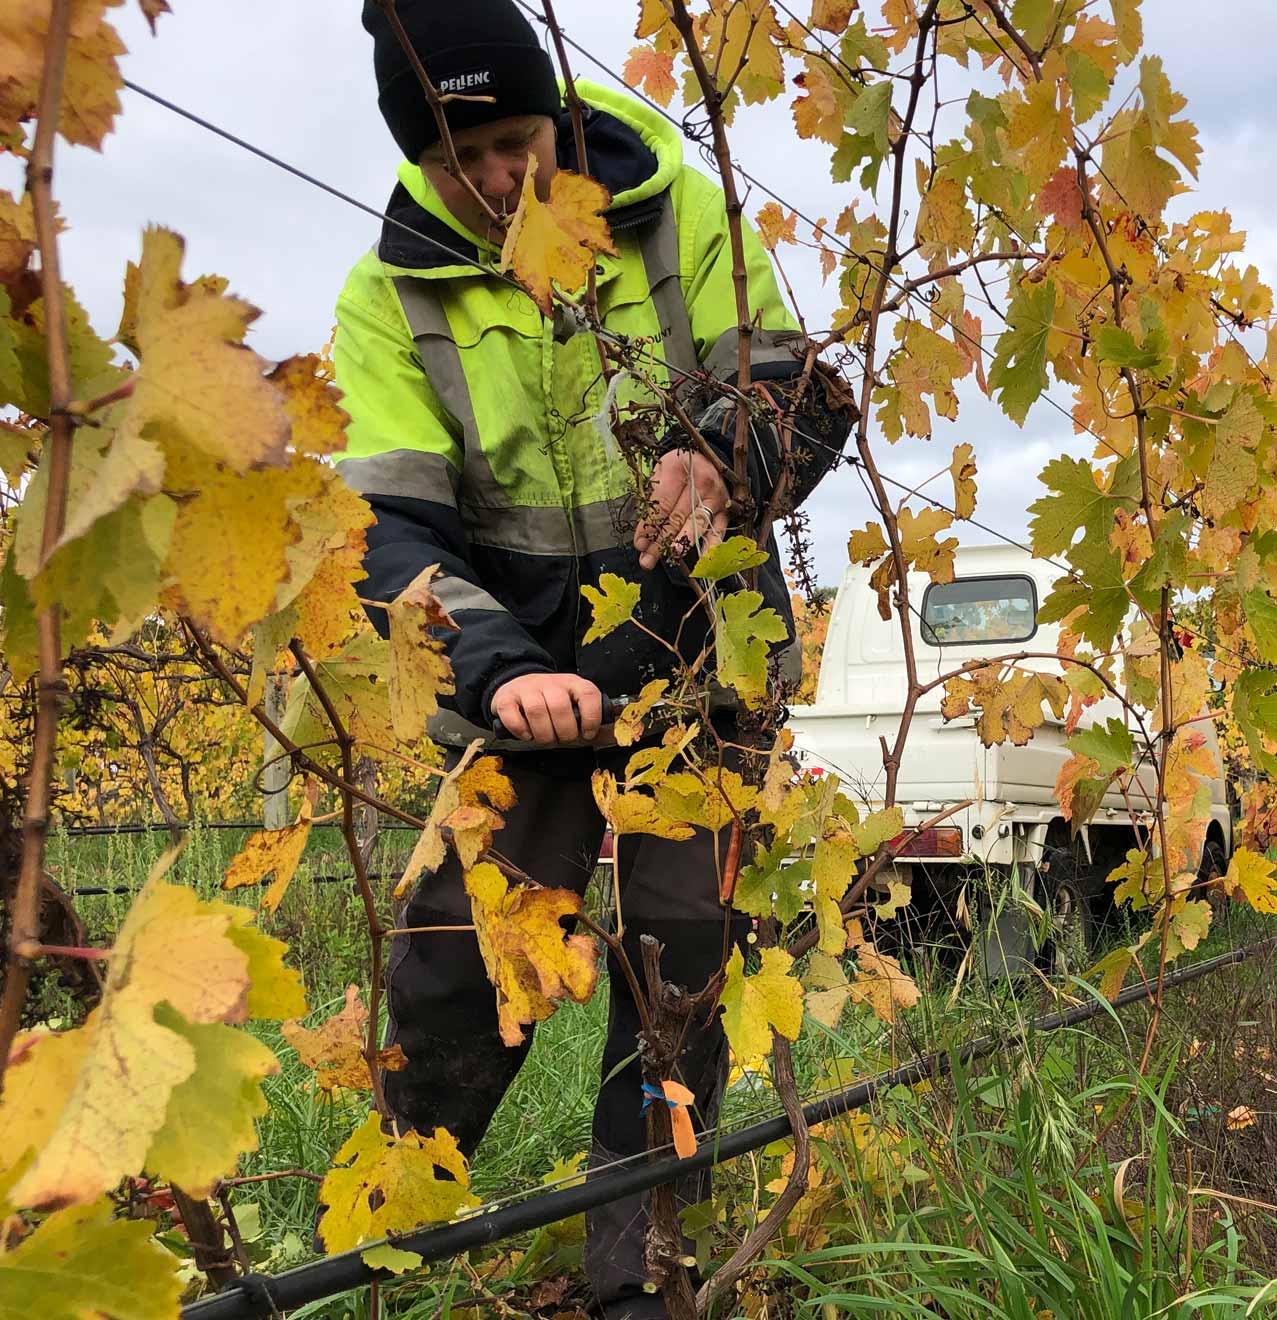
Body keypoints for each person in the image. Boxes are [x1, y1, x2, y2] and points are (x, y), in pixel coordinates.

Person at [334, 4, 850, 1313]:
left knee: (681, 958)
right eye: (468, 159)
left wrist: (724, 457)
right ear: (418, 156)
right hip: (521, 687)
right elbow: (384, 530)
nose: (505, 180)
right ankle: (392, 1246)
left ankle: (640, 1275)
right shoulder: (387, 295)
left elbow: (800, 387)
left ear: (555, 114)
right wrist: (499, 665)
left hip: (702, 665)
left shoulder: (683, 217)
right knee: (457, 958)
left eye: (519, 142)